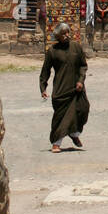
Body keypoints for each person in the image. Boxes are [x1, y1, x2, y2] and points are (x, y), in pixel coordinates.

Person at [39, 23, 90, 153]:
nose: (67, 35)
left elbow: (83, 66)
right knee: (60, 117)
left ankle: (74, 133)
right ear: (58, 36)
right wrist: (43, 88)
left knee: (83, 110)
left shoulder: (76, 47)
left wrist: (80, 80)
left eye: (68, 32)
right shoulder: (52, 51)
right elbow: (45, 71)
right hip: (61, 89)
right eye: (63, 34)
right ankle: (56, 143)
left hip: (77, 88)